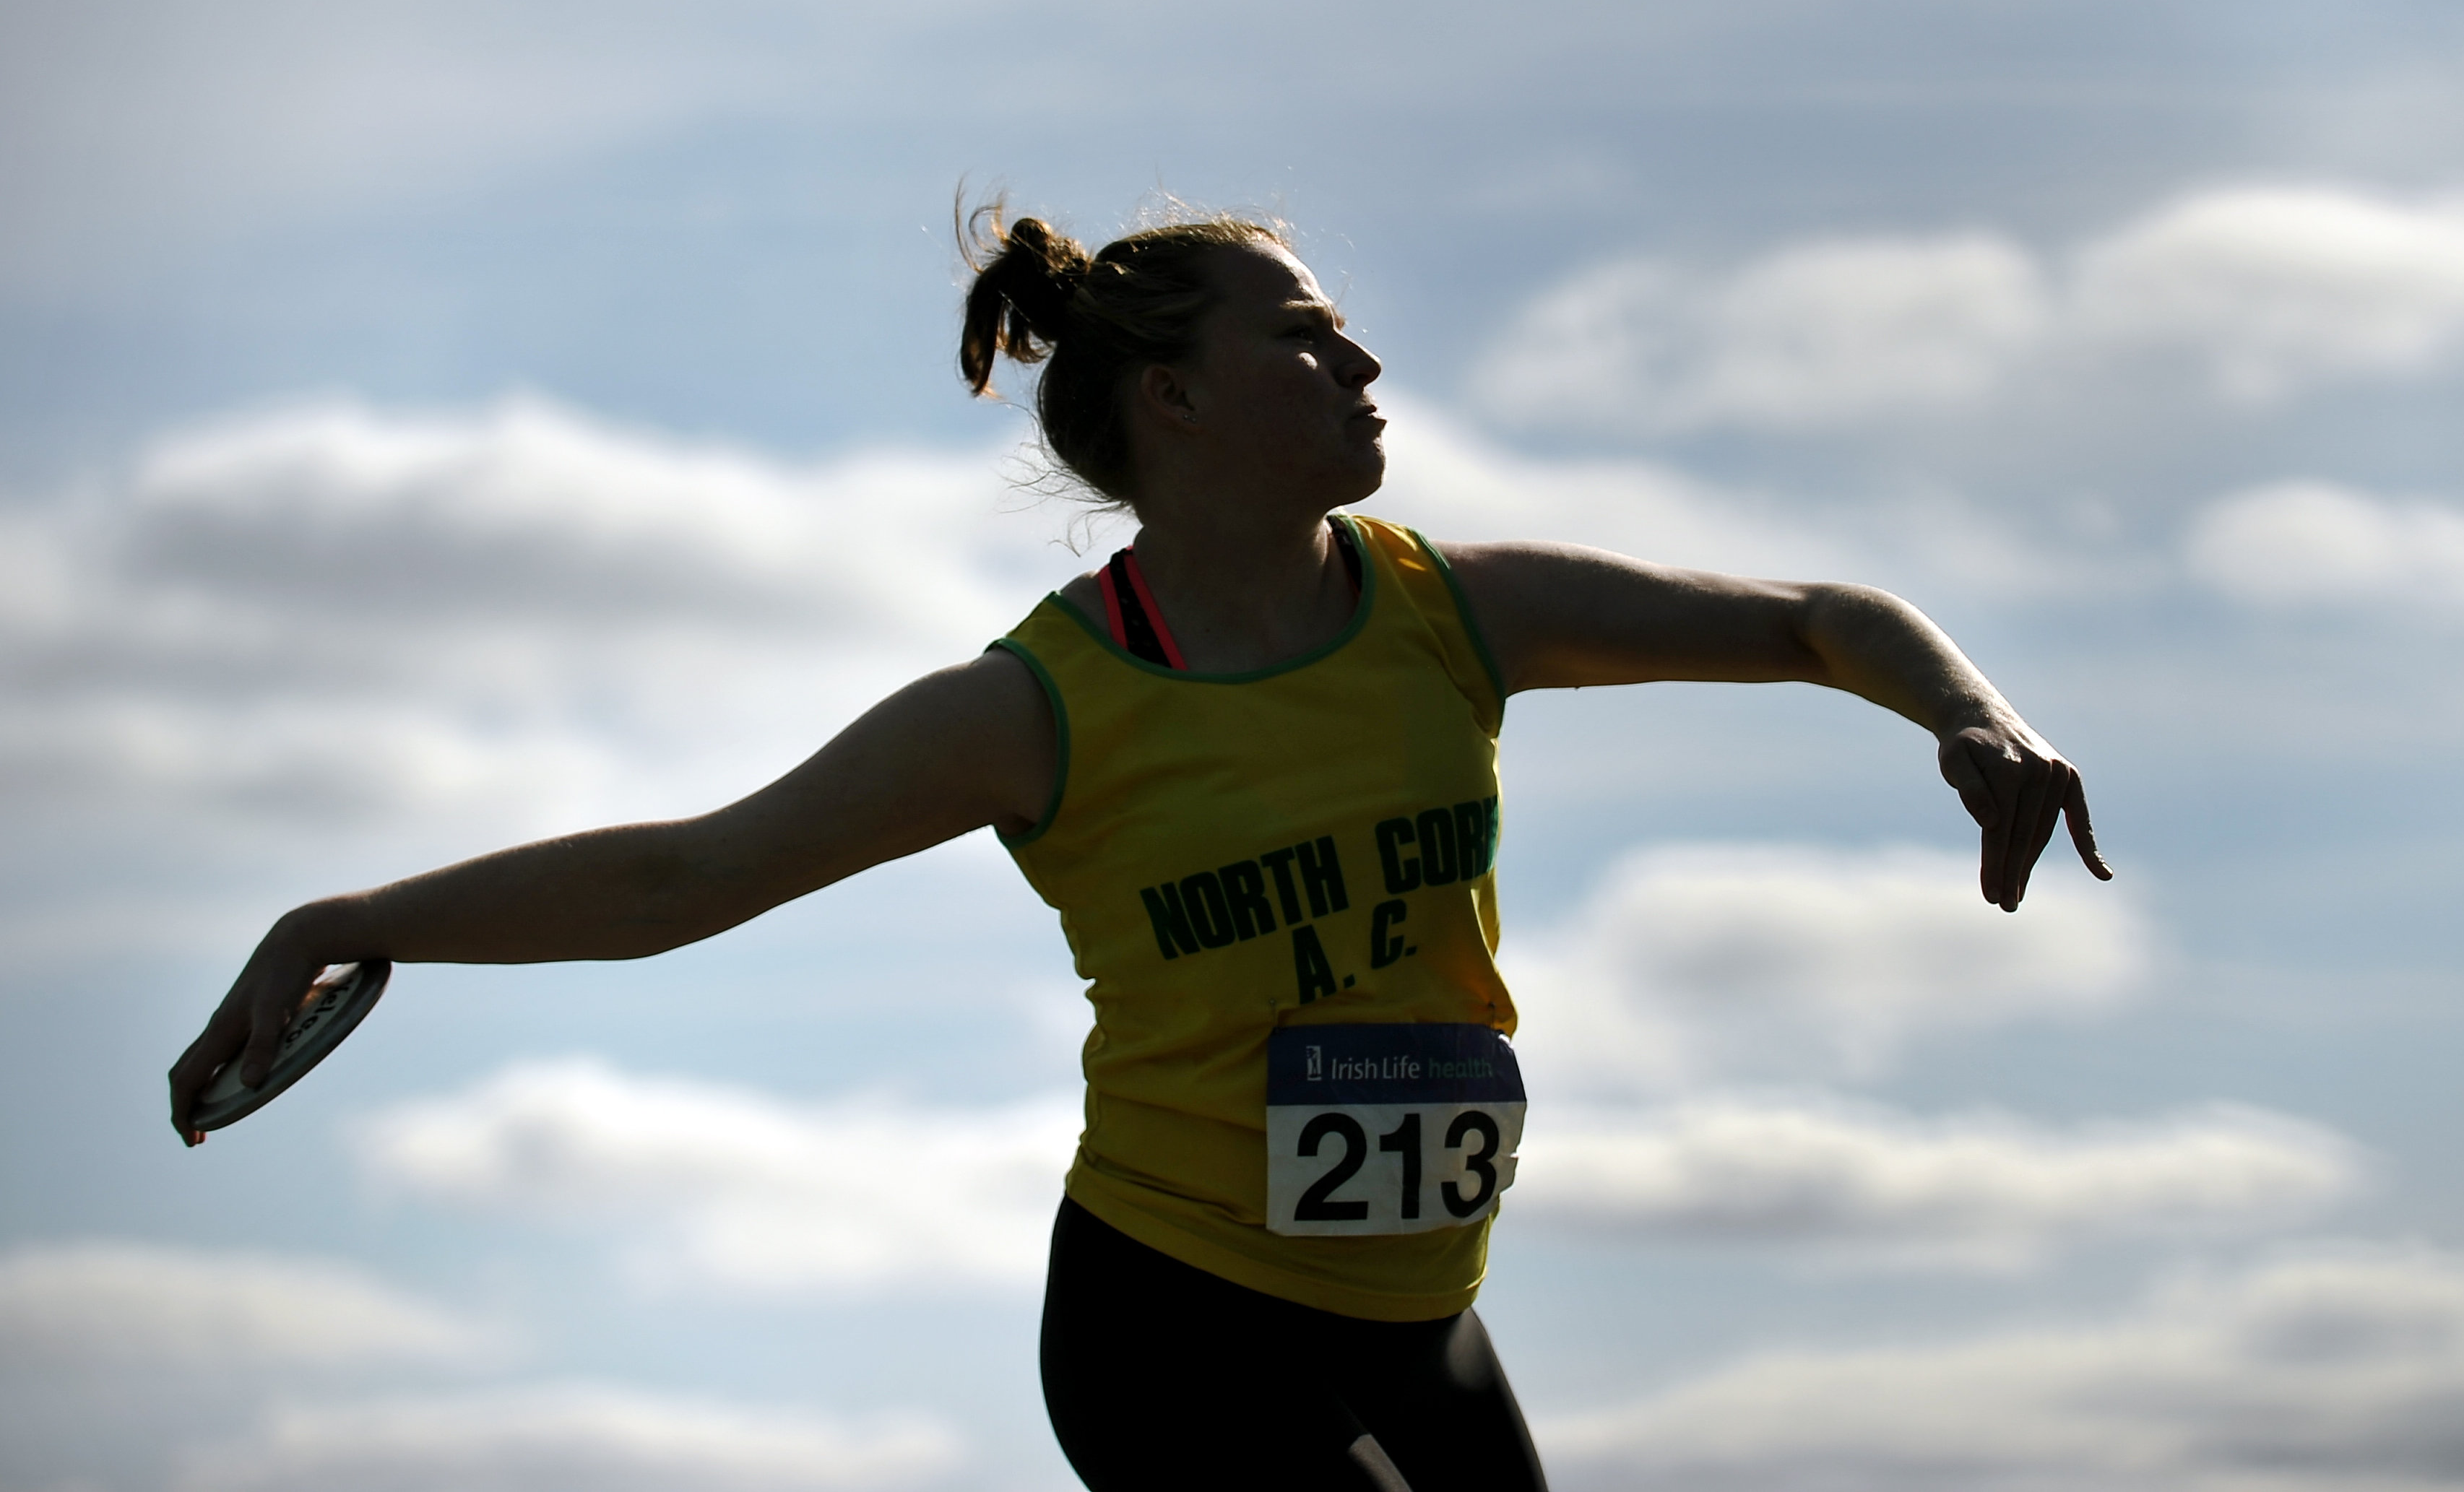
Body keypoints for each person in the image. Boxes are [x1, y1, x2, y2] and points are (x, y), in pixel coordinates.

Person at [170, 200, 2109, 1492]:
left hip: (1421, 1313)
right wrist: (361, 915)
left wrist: (1967, 710)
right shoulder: (1042, 704)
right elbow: (691, 876)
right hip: (1172, 1318)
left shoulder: (1454, 609)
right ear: (1172, 399)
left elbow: (1808, 616)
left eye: (1356, 345)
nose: (1363, 371)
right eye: (1312, 339)